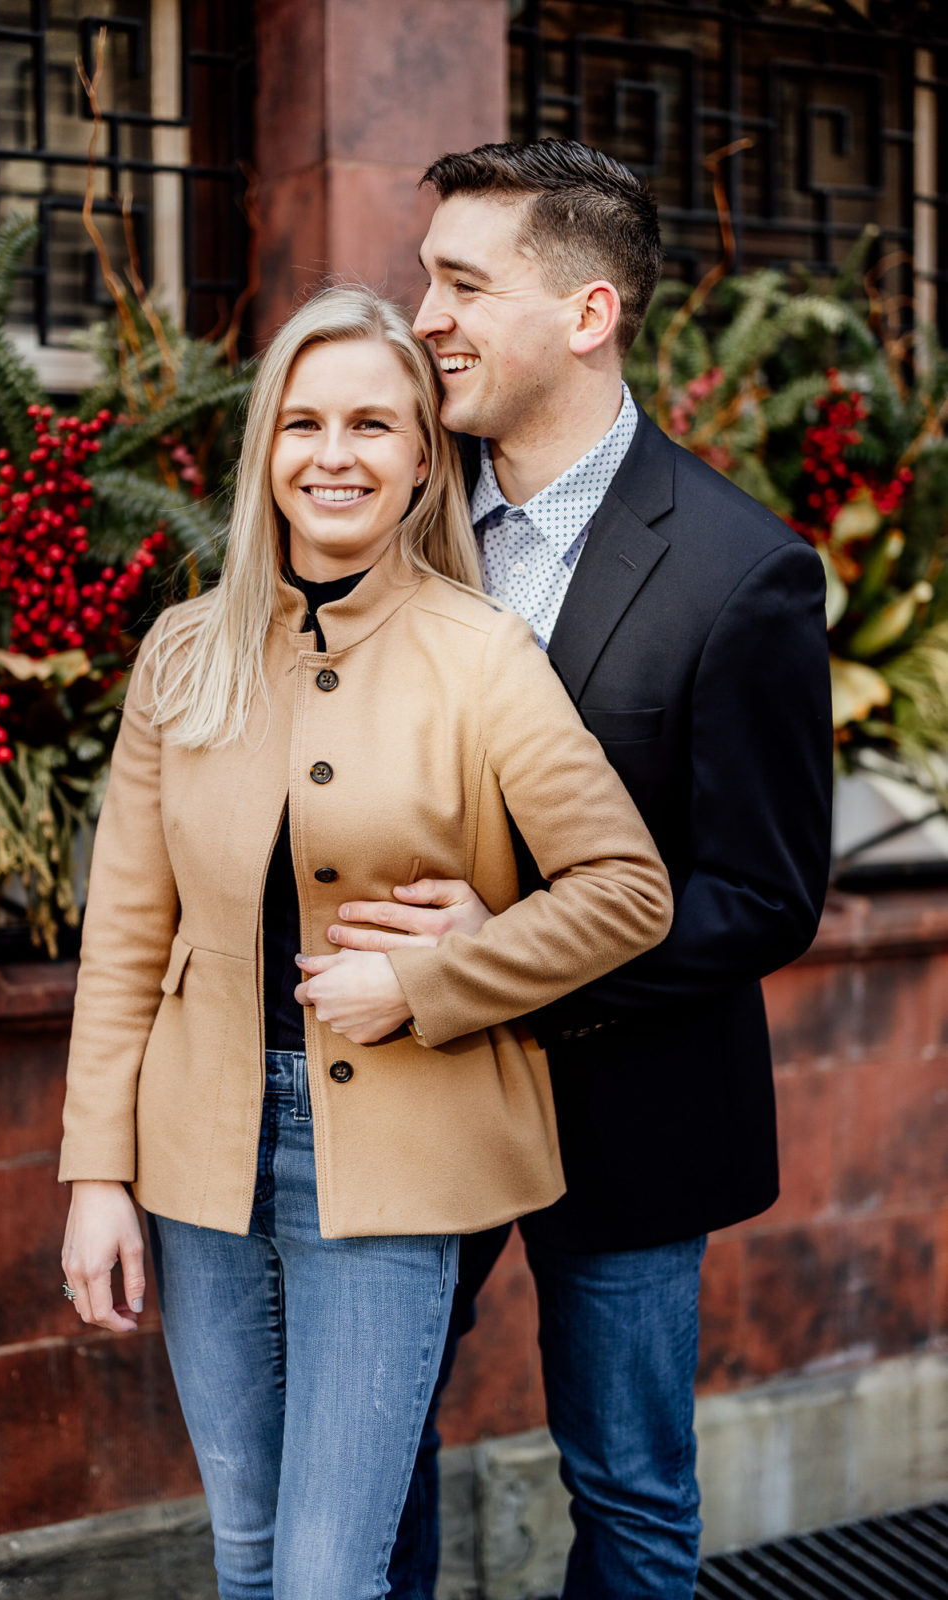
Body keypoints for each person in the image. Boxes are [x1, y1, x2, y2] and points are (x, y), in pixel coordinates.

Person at [57, 286, 672, 1600]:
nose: (333, 455)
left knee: (331, 1578)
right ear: (265, 449)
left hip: (391, 1169)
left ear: (417, 458)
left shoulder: (482, 655)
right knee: (247, 1560)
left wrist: (434, 976)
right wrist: (94, 1176)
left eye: (373, 426)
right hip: (195, 1163)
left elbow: (625, 889)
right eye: (304, 422)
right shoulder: (183, 654)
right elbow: (123, 941)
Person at [317, 144, 835, 1599]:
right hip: (409, 1085)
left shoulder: (744, 570)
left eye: (463, 283)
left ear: (587, 313)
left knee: (626, 1486)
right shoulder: (393, 531)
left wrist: (505, 957)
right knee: (367, 1454)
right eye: (429, 278)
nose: (425, 315)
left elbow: (764, 894)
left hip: (633, 1102)